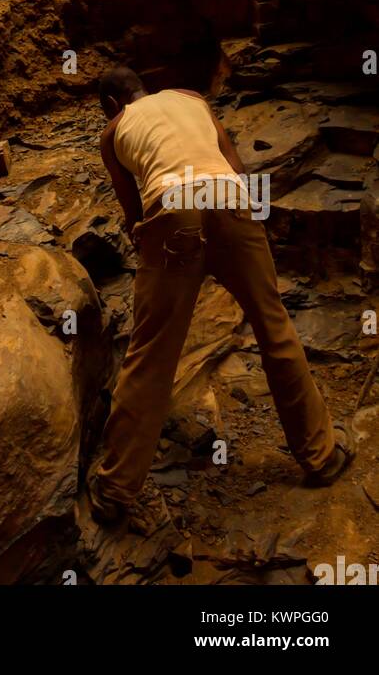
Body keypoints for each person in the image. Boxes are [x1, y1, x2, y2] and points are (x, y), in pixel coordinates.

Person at [86, 66, 354, 523]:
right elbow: (236, 167)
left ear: (112, 105)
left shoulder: (113, 132)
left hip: (172, 208)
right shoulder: (193, 97)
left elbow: (133, 215)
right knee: (275, 327)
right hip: (230, 200)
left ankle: (115, 490)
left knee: (151, 352)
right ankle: (321, 456)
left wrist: (155, 244)